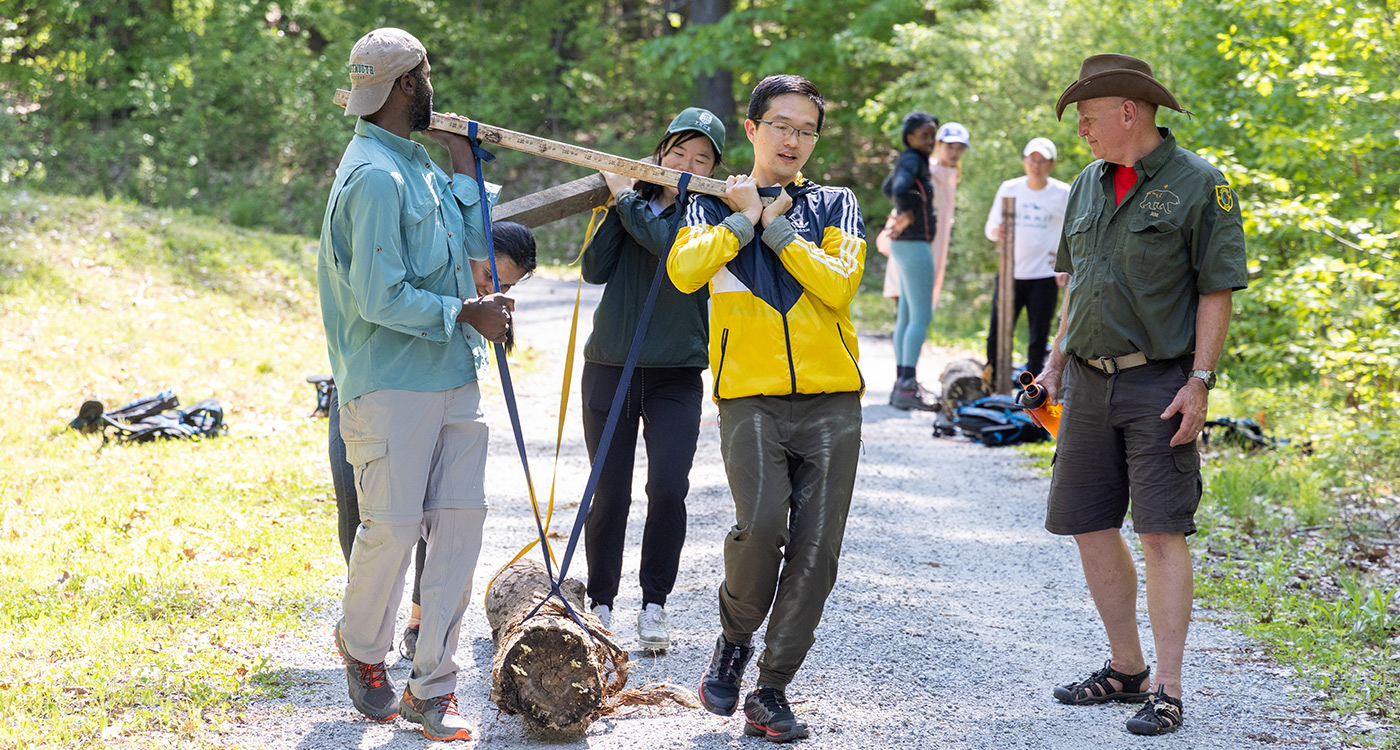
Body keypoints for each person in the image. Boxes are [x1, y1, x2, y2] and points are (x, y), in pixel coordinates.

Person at [1034, 54, 1246, 736]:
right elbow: (1076, 283)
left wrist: (1200, 384)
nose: (1084, 134)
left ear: (1130, 111)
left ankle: (1169, 687)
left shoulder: (1199, 185)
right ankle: (1127, 669)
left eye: (1089, 120)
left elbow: (1217, 290)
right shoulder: (1086, 187)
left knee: (1161, 529)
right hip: (1088, 382)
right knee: (1089, 523)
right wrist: (1053, 364)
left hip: (1161, 381)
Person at [317, 28, 516, 742]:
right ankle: (364, 649)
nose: (432, 87)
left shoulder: (418, 164)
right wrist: (466, 310)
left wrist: (464, 166)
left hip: (451, 374)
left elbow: (469, 245)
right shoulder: (372, 174)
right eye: (426, 76)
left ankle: (433, 689)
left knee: (459, 528)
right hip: (388, 382)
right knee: (394, 530)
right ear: (409, 85)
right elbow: (379, 296)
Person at [668, 75, 865, 744]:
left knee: (818, 550)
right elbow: (685, 270)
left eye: (806, 129)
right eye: (781, 124)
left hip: (833, 401)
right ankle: (733, 639)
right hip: (749, 397)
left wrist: (777, 229)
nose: (793, 139)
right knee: (759, 526)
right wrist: (744, 215)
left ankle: (772, 688)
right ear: (752, 130)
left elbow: (839, 285)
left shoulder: (837, 203)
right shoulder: (709, 202)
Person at [327, 220, 536, 663]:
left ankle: (420, 621)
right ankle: (365, 628)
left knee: (441, 513)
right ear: (469, 249)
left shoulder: (477, 299)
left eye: (507, 286)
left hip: (439, 394)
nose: (493, 292)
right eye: (488, 278)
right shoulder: (421, 251)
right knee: (370, 514)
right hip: (372, 385)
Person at [581, 108, 725, 652]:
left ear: (713, 168)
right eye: (678, 154)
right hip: (610, 367)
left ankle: (654, 603)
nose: (687, 165)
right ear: (660, 152)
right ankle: (601, 601)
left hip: (676, 373)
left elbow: (670, 248)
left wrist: (626, 199)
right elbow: (593, 269)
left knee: (668, 487)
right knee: (609, 491)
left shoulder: (709, 213)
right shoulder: (631, 200)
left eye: (701, 158)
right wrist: (621, 203)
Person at [982, 137, 1070, 383]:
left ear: (1051, 164)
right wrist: (996, 231)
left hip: (1044, 274)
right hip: (1010, 272)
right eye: (1032, 159)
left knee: (1038, 336)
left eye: (1042, 160)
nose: (1036, 165)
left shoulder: (1063, 193)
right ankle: (993, 380)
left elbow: (1073, 231)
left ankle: (1031, 388)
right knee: (997, 331)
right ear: (1024, 161)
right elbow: (990, 227)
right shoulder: (1010, 188)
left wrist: (1065, 262)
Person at [881, 111, 940, 411]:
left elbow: (887, 187)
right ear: (910, 137)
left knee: (905, 315)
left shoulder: (909, 158)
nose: (930, 141)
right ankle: (906, 386)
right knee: (921, 316)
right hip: (915, 245)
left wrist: (907, 208)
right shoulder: (913, 160)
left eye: (933, 135)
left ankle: (902, 383)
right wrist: (909, 212)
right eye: (924, 135)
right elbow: (900, 188)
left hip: (904, 245)